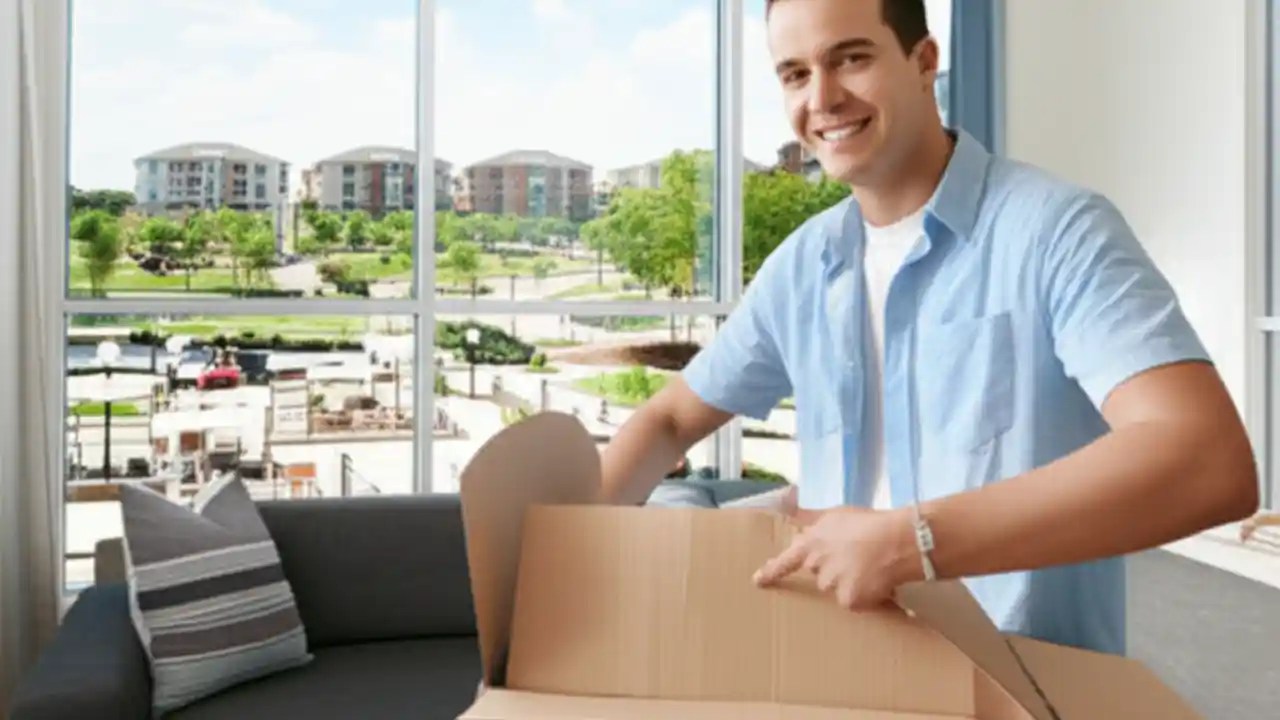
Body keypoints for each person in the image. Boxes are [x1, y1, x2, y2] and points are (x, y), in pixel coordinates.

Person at [597, 0, 1259, 656]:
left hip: (1013, 680)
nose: (822, 98)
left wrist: (910, 542)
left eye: (850, 58)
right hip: (835, 668)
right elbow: (672, 420)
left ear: (925, 62)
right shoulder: (803, 265)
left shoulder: (1058, 231)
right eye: (795, 74)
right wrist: (557, 551)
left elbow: (1207, 461)